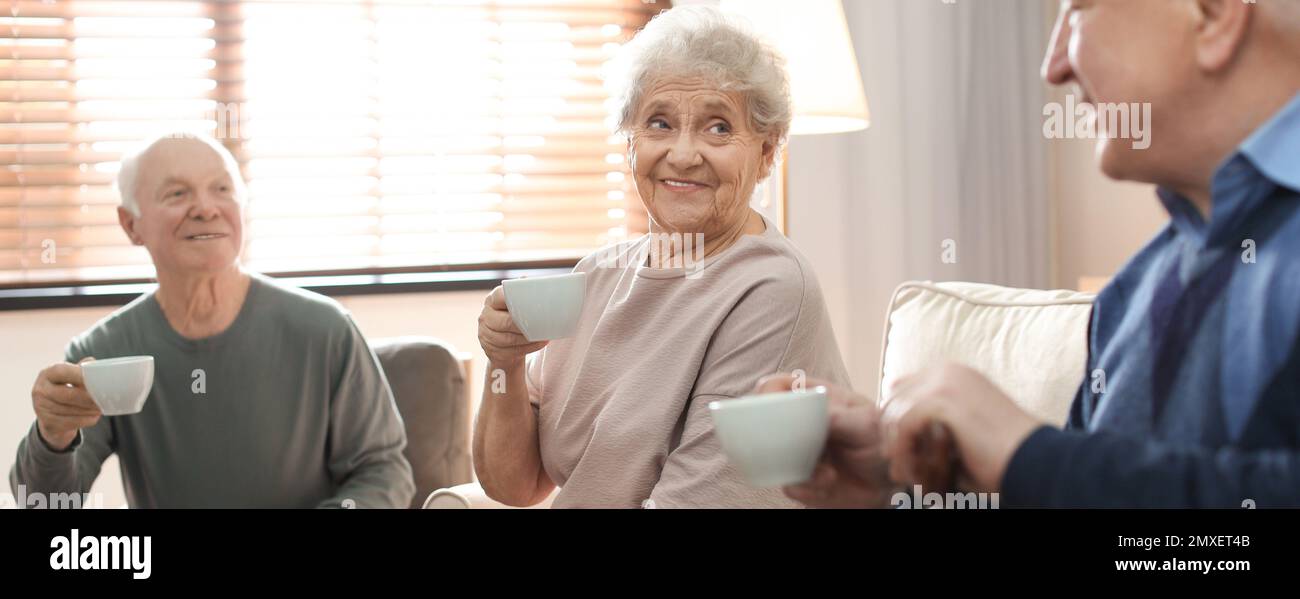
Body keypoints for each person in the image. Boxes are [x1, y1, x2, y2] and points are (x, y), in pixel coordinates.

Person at [782, 0, 1300, 508]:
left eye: (1078, 9)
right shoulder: (1134, 291)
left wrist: (1027, 456)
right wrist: (902, 489)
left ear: (1213, 15)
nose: (1054, 65)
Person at [472, 6, 851, 508]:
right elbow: (516, 486)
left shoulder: (772, 290)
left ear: (765, 152)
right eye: (659, 123)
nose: (683, 154)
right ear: (630, 142)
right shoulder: (595, 277)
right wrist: (505, 363)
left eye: (718, 127)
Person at [10, 133, 415, 508]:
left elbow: (384, 472)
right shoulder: (102, 353)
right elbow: (43, 504)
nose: (206, 208)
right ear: (131, 224)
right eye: (177, 193)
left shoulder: (326, 330)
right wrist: (53, 437)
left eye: (222, 189)